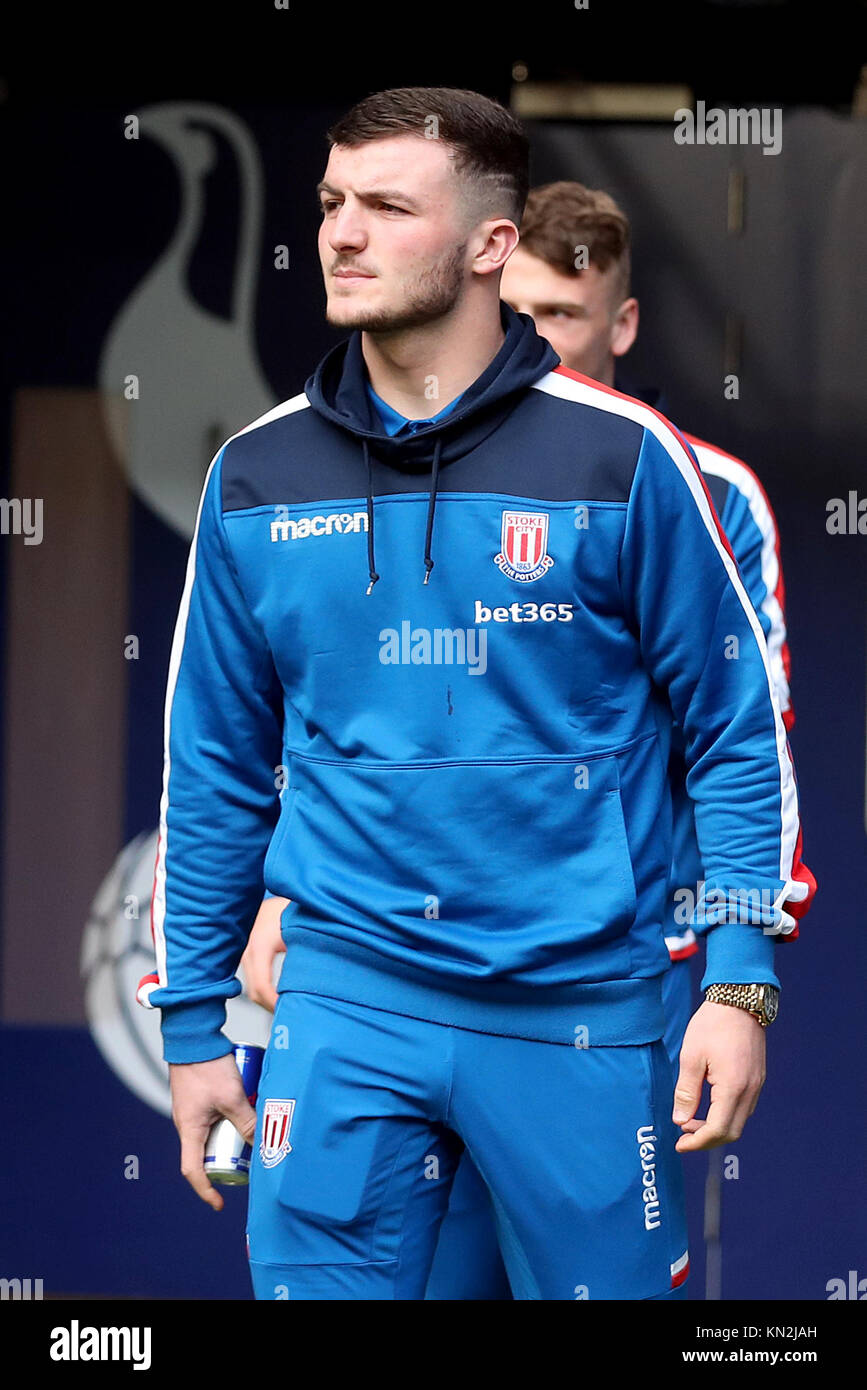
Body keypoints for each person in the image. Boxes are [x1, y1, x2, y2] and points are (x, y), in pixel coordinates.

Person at [141, 88, 813, 1301]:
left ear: (491, 245)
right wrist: (193, 1026)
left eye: (389, 207)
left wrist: (739, 972)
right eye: (333, 203)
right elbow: (214, 771)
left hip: (579, 1006)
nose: (341, 234)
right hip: (343, 1000)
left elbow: (733, 730)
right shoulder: (255, 472)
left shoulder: (628, 459)